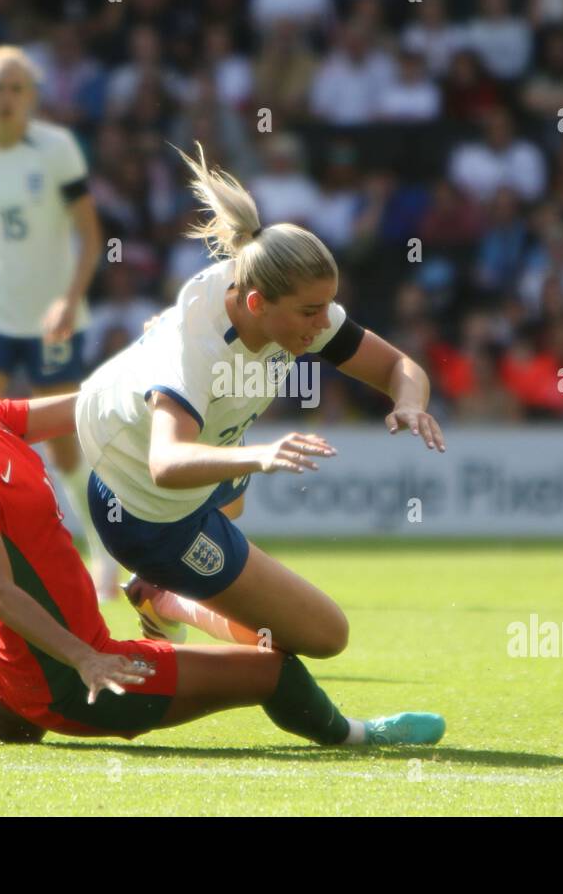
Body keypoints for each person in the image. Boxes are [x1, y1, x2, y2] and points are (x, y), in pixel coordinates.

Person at [0, 307, 444, 747]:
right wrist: (85, 659)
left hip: (6, 660)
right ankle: (359, 735)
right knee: (270, 668)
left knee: (7, 725)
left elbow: (82, 408)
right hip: (66, 669)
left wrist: (154, 364)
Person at [75, 145, 446, 657]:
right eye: (312, 312)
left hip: (203, 442)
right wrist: (262, 455)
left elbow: (397, 366)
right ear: (256, 304)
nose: (323, 325)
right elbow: (166, 462)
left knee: (235, 501)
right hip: (140, 495)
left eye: (328, 307)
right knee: (318, 637)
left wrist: (409, 402)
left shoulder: (277, 299)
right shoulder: (194, 351)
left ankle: (164, 589)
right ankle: (162, 595)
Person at [0, 44, 112, 603]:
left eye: (16, 88)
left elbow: (91, 234)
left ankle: (103, 554)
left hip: (53, 319)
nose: (5, 99)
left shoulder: (56, 149)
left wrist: (69, 299)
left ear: (31, 97)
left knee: (68, 445)